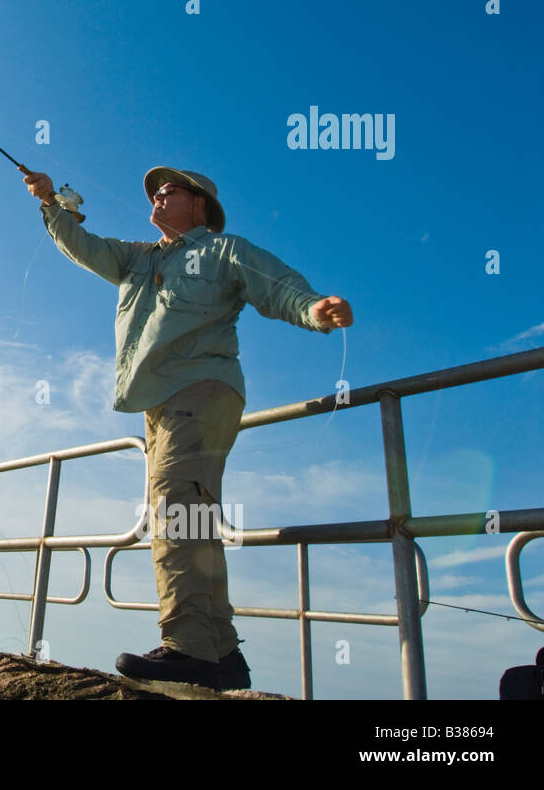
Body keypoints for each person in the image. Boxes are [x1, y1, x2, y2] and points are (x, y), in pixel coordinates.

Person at [24, 166, 353, 690]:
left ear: (198, 203)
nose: (156, 195)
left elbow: (280, 288)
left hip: (202, 388)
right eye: (155, 191)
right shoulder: (137, 257)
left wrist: (314, 310)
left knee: (175, 508)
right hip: (160, 402)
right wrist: (48, 202)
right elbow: (82, 244)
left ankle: (189, 648)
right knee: (190, 514)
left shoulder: (227, 251)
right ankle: (221, 653)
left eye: (168, 189)